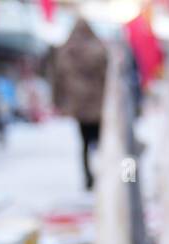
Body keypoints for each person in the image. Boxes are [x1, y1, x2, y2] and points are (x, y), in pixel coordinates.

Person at [52, 18, 109, 191]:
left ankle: (88, 178)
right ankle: (104, 173)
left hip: (79, 108)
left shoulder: (66, 52)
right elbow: (107, 76)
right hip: (98, 105)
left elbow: (58, 79)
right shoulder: (99, 50)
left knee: (84, 144)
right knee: (101, 143)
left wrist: (59, 101)